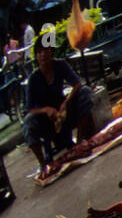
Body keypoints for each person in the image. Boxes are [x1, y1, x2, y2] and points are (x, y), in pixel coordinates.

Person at [23, 41, 97, 181]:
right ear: (36, 57)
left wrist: (66, 102)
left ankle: (79, 143)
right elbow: (29, 108)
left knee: (85, 92)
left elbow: (76, 84)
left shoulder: (60, 65)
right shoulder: (34, 78)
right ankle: (43, 164)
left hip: (63, 113)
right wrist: (46, 110)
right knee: (28, 122)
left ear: (51, 51)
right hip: (45, 120)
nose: (43, 54)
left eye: (45, 50)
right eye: (39, 52)